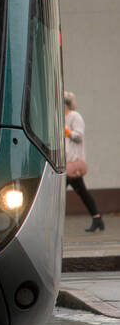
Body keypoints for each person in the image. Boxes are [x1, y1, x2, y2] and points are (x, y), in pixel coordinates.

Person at [64, 91, 104, 232]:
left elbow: (79, 136)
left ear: (64, 104)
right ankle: (97, 218)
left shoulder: (75, 116)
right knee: (82, 192)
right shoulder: (62, 117)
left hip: (73, 162)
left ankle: (97, 218)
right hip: (65, 163)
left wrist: (67, 132)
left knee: (59, 194)